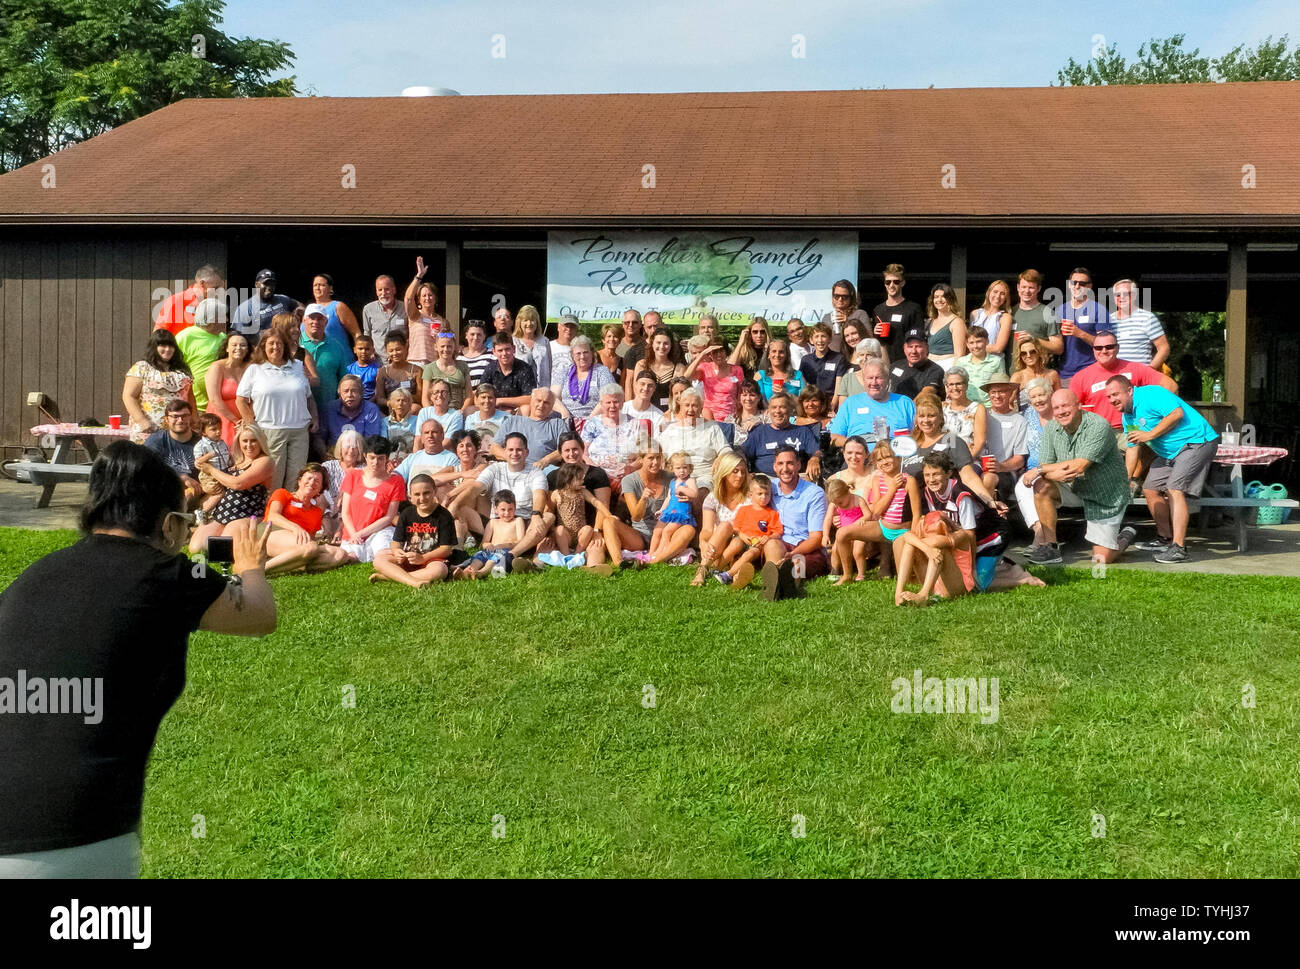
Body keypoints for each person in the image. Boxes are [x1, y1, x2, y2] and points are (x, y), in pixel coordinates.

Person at [0, 442, 273, 877]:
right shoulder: (167, 572)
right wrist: (249, 563)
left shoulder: (33, 576)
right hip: (74, 833)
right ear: (167, 525)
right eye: (186, 527)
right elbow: (259, 615)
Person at [1107, 374, 1219, 564]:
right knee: (1150, 488)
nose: (1112, 400)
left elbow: (1177, 414)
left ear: (1129, 390)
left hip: (1197, 441)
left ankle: (1179, 548)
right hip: (1170, 453)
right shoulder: (1127, 416)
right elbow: (1133, 450)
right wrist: (1124, 480)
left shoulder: (1152, 394)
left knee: (1174, 488)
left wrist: (1149, 434)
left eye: (1115, 394)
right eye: (1108, 397)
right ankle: (1164, 538)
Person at [1021, 390, 1137, 566]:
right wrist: (1047, 472)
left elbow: (1080, 465)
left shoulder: (1098, 425)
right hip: (1074, 486)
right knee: (1041, 485)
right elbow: (1047, 468)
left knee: (1100, 560)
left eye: (1065, 406)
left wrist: (1039, 469)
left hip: (1105, 494)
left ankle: (1125, 536)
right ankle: (1051, 547)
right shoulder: (1052, 428)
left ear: (1079, 405)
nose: (1061, 411)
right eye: (1056, 408)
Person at [893, 451, 1012, 605]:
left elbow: (970, 535)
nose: (931, 479)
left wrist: (972, 569)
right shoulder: (929, 492)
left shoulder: (961, 495)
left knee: (978, 585)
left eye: (935, 474)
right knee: (921, 537)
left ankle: (1015, 573)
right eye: (927, 475)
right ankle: (900, 594)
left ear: (948, 473)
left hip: (992, 536)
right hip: (960, 534)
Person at [447, 432, 549, 563]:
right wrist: (454, 505)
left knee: (548, 517)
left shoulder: (536, 473)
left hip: (524, 526)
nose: (514, 453)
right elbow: (475, 487)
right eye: (511, 449)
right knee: (460, 507)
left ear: (526, 452)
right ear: (505, 451)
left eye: (519, 450)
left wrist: (536, 514)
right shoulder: (495, 469)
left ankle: (513, 554)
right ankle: (457, 552)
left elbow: (539, 494)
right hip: (494, 525)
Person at [236, 329, 317, 491]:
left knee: (296, 478)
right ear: (263, 346)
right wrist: (252, 426)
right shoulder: (255, 369)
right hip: (270, 431)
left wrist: (315, 417)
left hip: (299, 431)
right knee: (273, 477)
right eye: (271, 343)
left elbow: (308, 396)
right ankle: (271, 512)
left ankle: (291, 512)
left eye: (279, 343)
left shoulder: (298, 366)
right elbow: (241, 400)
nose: (276, 347)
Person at [832, 440, 922, 585]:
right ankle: (847, 574)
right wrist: (892, 488)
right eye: (879, 459)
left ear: (898, 457)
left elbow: (916, 514)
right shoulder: (877, 479)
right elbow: (877, 510)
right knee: (842, 533)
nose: (884, 462)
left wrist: (914, 536)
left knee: (904, 578)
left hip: (901, 531)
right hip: (882, 527)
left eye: (888, 457)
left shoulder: (909, 480)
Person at [902, 392, 1006, 510]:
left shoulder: (952, 440)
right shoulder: (908, 443)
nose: (926, 420)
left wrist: (990, 502)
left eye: (931, 415)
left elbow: (969, 478)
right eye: (921, 416)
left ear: (941, 417)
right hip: (906, 507)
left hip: (940, 507)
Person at [188, 422, 276, 552]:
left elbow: (238, 484)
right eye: (244, 441)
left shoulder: (265, 461)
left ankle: (252, 542)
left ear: (261, 442)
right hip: (223, 511)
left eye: (253, 441)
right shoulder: (237, 460)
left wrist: (211, 469)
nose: (249, 445)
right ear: (239, 442)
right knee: (196, 548)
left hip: (246, 513)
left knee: (221, 550)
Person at [1068, 330, 1177, 431]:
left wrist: (1154, 413)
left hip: (1133, 427)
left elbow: (1171, 386)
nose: (1104, 351)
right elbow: (1070, 408)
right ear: (1093, 350)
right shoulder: (1081, 377)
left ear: (1118, 348)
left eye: (1109, 347)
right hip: (1099, 432)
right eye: (1099, 348)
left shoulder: (1135, 369)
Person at [370, 474, 459, 587]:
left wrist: (423, 558)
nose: (422, 498)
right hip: (409, 557)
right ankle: (412, 580)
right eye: (417, 494)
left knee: (439, 571)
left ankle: (391, 576)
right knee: (379, 560)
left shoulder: (444, 516)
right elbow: (396, 542)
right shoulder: (407, 513)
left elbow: (446, 549)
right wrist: (397, 551)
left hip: (432, 559)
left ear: (434, 491)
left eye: (426, 493)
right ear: (410, 496)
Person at [262, 463, 350, 576]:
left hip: (298, 545)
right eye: (309, 478)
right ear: (299, 481)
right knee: (310, 546)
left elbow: (309, 540)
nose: (312, 482)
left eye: (317, 481)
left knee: (340, 554)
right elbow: (272, 516)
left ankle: (291, 566)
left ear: (320, 490)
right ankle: (260, 570)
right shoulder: (283, 494)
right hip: (271, 531)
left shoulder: (317, 512)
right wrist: (295, 528)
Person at [763, 447, 829, 595]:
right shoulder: (769, 488)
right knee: (772, 544)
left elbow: (816, 538)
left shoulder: (814, 493)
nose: (785, 469)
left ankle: (783, 584)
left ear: (799, 465)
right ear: (774, 466)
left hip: (806, 548)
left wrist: (793, 554)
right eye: (780, 464)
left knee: (797, 563)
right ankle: (776, 582)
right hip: (780, 544)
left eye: (790, 463)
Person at [620, 442, 696, 565]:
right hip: (640, 536)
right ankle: (619, 563)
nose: (655, 462)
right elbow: (636, 516)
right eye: (651, 458)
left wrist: (690, 498)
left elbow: (689, 487)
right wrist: (643, 498)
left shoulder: (673, 477)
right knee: (608, 522)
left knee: (689, 530)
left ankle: (654, 560)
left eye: (658, 457)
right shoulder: (629, 480)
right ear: (641, 459)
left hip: (669, 529)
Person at [337, 435, 405, 564]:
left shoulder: (396, 481)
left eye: (380, 458)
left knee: (384, 555)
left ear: (386, 458)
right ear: (365, 456)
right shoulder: (353, 475)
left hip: (380, 531)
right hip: (352, 532)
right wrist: (354, 534)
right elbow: (345, 512)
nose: (375, 462)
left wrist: (361, 534)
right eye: (372, 457)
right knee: (349, 558)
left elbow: (389, 517)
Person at [710, 474, 785, 590]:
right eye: (760, 494)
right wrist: (741, 535)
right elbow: (736, 527)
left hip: (758, 546)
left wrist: (768, 538)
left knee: (750, 554)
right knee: (735, 544)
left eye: (767, 494)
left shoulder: (772, 514)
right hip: (743, 539)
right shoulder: (744, 510)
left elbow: (778, 532)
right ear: (750, 495)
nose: (764, 497)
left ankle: (728, 574)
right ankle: (717, 568)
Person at [1009, 377, 1057, 552]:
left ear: (1050, 394)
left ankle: (1045, 536)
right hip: (1032, 469)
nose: (1038, 400)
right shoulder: (1026, 416)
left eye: (1041, 395)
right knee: (1022, 487)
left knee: (1037, 484)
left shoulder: (1060, 413)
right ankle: (1039, 530)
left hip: (1057, 468)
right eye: (1033, 397)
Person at [541, 462, 615, 575]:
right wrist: (551, 531)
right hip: (566, 535)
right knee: (559, 529)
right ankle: (566, 556)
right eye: (579, 478)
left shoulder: (583, 492)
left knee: (588, 529)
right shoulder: (557, 494)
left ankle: (577, 554)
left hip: (580, 533)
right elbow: (549, 510)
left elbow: (597, 503)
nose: (583, 480)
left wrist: (609, 515)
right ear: (568, 480)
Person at [122, 329, 195, 444]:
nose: (167, 349)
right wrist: (142, 421)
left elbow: (190, 396)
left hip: (179, 429)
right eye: (162, 345)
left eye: (171, 346)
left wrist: (194, 418)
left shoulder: (182, 370)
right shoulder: (142, 367)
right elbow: (128, 396)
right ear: (153, 347)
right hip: (150, 429)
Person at [692, 450, 751, 585]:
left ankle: (711, 568)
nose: (740, 476)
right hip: (719, 542)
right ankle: (705, 569)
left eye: (743, 471)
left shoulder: (750, 497)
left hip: (742, 543)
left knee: (731, 534)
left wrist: (734, 530)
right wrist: (703, 542)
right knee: (724, 526)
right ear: (724, 473)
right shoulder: (713, 498)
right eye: (735, 471)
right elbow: (707, 529)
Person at [828, 360, 917, 448]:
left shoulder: (904, 403)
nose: (874, 383)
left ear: (887, 379)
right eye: (870, 378)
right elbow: (834, 437)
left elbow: (921, 436)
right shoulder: (851, 403)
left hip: (896, 458)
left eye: (879, 378)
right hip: (859, 458)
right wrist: (855, 445)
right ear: (863, 380)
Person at [656, 388, 729, 492]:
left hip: (704, 476)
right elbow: (657, 454)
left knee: (700, 491)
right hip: (676, 477)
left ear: (701, 408)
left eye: (694, 405)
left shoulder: (711, 427)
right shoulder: (670, 430)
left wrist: (721, 457)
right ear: (680, 407)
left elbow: (726, 450)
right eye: (687, 405)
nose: (690, 409)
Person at [580, 384, 647, 488]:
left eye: (616, 402)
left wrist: (630, 468)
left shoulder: (636, 424)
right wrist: (597, 470)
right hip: (596, 473)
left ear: (622, 403)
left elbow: (645, 455)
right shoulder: (592, 423)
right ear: (601, 404)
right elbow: (583, 454)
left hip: (627, 473)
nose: (612, 406)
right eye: (608, 402)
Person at [742, 391, 822, 477]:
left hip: (796, 478)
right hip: (765, 481)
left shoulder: (803, 431)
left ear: (790, 410)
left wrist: (815, 459)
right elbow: (742, 454)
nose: (778, 411)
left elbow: (817, 451)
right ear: (768, 411)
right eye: (774, 407)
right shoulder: (758, 432)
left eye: (782, 407)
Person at [144, 398, 203, 507]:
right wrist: (181, 477)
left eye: (185, 416)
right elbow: (146, 468)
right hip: (162, 491)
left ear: (191, 417)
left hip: (193, 493)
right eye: (175, 416)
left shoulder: (202, 443)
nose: (180, 420)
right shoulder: (156, 440)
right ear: (167, 419)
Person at [980, 373, 1030, 501]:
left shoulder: (1019, 420)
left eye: (1002, 392)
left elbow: (1019, 459)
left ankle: (991, 516)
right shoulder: (982, 415)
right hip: (979, 467)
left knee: (988, 479)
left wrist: (1001, 466)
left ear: (1010, 394)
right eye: (993, 392)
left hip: (1006, 472)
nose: (997, 396)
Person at [494, 387, 571, 469]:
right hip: (511, 466)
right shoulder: (512, 421)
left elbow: (566, 448)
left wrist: (545, 461)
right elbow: (494, 447)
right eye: (538, 400)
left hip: (543, 469)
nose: (541, 405)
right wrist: (512, 459)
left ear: (551, 406)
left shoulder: (557, 424)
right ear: (531, 401)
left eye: (546, 402)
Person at [453, 492, 525, 579]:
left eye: (510, 509)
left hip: (506, 551)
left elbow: (521, 542)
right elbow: (484, 542)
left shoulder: (517, 521)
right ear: (495, 509)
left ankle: (482, 572)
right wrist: (488, 545)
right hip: (491, 549)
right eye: (503, 510)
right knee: (479, 555)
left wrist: (503, 545)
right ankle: (470, 569)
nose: (507, 513)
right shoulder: (493, 522)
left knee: (494, 557)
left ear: (515, 508)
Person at [645, 452, 698, 563]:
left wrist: (684, 489)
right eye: (678, 468)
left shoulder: (690, 481)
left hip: (681, 513)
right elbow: (668, 498)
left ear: (690, 468)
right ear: (672, 468)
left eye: (685, 467)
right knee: (657, 530)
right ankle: (651, 553)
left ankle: (661, 553)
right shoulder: (673, 482)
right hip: (669, 512)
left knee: (667, 532)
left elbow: (694, 494)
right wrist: (662, 510)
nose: (682, 471)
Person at [176, 297, 228, 411]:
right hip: (192, 406)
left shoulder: (224, 338)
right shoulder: (185, 337)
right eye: (223, 316)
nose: (227, 319)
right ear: (212, 319)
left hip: (218, 405)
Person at [1057, 268, 1108, 381]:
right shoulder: (1060, 310)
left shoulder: (1099, 310)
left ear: (1089, 286)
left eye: (1082, 283)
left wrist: (1079, 333)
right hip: (1064, 373)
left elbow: (1105, 345)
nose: (1077, 286)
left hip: (1091, 372)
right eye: (1074, 283)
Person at [300, 309, 351, 419]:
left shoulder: (336, 345)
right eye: (312, 318)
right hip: (300, 410)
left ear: (326, 322)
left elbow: (343, 378)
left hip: (329, 409)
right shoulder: (295, 344)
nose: (315, 322)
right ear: (304, 320)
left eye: (320, 318)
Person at [204, 333, 251, 448]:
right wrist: (236, 421)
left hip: (245, 418)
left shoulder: (251, 367)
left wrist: (248, 419)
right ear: (227, 348)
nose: (238, 348)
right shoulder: (217, 367)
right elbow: (214, 399)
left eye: (243, 345)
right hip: (221, 418)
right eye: (234, 345)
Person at [1110, 279, 1169, 369]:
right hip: (1115, 377)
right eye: (1117, 294)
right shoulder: (1109, 320)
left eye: (1126, 294)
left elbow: (1164, 348)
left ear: (1134, 295)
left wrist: (1150, 370)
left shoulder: (1147, 317)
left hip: (1140, 378)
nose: (1121, 297)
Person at [552, 336, 613, 421]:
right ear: (572, 355)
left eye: (585, 352)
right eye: (578, 353)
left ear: (592, 353)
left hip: (595, 420)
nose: (582, 357)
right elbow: (553, 397)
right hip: (566, 420)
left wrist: (589, 420)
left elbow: (608, 398)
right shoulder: (563, 371)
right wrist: (565, 414)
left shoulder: (602, 371)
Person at [231, 269, 298, 344]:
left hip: (285, 349)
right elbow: (237, 336)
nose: (269, 287)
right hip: (260, 351)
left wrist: (298, 316)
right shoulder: (244, 308)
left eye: (272, 284)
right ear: (256, 284)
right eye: (266, 283)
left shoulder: (283, 299)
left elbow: (300, 307)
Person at [871, 264, 924, 358]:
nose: (891, 285)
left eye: (896, 282)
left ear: (902, 283)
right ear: (884, 284)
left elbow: (918, 338)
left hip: (905, 361)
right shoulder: (878, 310)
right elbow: (873, 341)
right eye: (888, 282)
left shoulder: (913, 308)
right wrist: (875, 333)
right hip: (882, 362)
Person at [824, 478, 872, 583]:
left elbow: (868, 514)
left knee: (858, 551)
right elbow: (828, 518)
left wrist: (862, 519)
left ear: (848, 492)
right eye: (835, 503)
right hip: (844, 534)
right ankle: (835, 571)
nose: (838, 506)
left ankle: (861, 573)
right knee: (835, 550)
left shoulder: (858, 500)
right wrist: (825, 535)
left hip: (859, 532)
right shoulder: (835, 504)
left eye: (840, 502)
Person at [319, 374, 386, 449]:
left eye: (354, 391)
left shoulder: (371, 409)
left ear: (361, 392)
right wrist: (324, 455)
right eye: (345, 391)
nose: (350, 395)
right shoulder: (328, 409)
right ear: (339, 393)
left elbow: (371, 440)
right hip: (333, 454)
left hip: (361, 454)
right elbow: (319, 437)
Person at [401, 258, 447, 368]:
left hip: (434, 364)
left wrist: (441, 337)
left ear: (435, 298)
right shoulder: (416, 315)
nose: (427, 298)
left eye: (430, 295)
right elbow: (408, 299)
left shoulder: (442, 321)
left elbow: (446, 342)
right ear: (419, 299)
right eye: (424, 295)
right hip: (415, 362)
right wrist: (419, 276)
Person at [154, 264, 225, 334]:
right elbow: (160, 333)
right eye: (215, 288)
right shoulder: (177, 300)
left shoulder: (214, 304)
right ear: (202, 283)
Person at [305, 272, 361, 359]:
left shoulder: (338, 307)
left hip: (341, 361)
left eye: (321, 285)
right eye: (315, 285)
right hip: (316, 364)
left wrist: (361, 353)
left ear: (330, 288)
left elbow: (356, 332)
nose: (317, 288)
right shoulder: (308, 310)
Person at [630, 329, 685, 413]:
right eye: (658, 343)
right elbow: (636, 391)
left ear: (671, 345)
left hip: (670, 414)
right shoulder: (642, 365)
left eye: (666, 343)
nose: (662, 346)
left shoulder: (679, 368)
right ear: (652, 344)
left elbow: (680, 397)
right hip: (646, 413)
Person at [392, 417, 457, 487]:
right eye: (426, 433)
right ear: (422, 438)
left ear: (442, 435)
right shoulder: (413, 457)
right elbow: (396, 476)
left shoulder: (452, 459)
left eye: (434, 432)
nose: (430, 436)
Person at [1011, 270, 1063, 357]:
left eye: (1031, 287)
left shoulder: (1049, 314)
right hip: (1011, 369)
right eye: (1023, 287)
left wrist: (1034, 340)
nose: (1027, 291)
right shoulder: (1010, 312)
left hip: (1037, 369)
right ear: (1018, 287)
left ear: (1038, 289)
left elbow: (1059, 348)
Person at [941, 366, 989, 458]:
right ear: (946, 387)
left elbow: (980, 441)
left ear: (966, 385)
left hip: (970, 458)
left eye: (959, 384)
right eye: (951, 384)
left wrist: (965, 462)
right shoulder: (941, 407)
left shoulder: (977, 408)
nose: (955, 387)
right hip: (945, 459)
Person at [483, 337, 538, 413]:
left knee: (526, 408)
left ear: (514, 349)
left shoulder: (525, 368)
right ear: (494, 352)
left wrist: (501, 401)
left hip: (517, 410)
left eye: (507, 349)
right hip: (494, 409)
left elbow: (530, 398)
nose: (504, 353)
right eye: (500, 350)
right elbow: (480, 395)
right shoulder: (490, 369)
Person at [193, 412, 231, 518]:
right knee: (218, 493)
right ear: (204, 432)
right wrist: (209, 456)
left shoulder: (222, 442)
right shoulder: (201, 445)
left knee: (225, 492)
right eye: (213, 429)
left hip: (223, 470)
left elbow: (226, 455)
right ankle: (202, 512)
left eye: (219, 429)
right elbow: (198, 463)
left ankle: (210, 510)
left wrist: (231, 461)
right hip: (209, 475)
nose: (218, 432)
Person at [375, 331, 423, 413]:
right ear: (386, 351)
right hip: (390, 408)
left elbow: (420, 396)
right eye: (391, 350)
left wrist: (404, 399)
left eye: (398, 349)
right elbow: (379, 398)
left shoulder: (417, 370)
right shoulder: (383, 371)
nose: (395, 353)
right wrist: (392, 403)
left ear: (405, 348)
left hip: (410, 409)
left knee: (415, 408)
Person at [969, 279, 1015, 365]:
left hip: (993, 362)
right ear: (989, 293)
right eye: (995, 291)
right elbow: (969, 340)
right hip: (973, 362)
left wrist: (974, 348)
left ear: (1006, 298)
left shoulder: (1005, 317)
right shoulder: (974, 314)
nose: (998, 296)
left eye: (1002, 294)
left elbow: (998, 348)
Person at [891, 329, 946, 400]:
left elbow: (927, 393)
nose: (913, 351)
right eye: (910, 347)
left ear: (927, 347)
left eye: (918, 346)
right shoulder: (895, 366)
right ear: (904, 348)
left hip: (920, 408)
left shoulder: (935, 370)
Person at [422, 330, 471, 409]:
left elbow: (469, 395)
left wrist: (462, 411)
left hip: (458, 411)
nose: (446, 349)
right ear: (436, 347)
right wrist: (432, 414)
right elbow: (425, 398)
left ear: (454, 347)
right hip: (436, 412)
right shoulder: (429, 368)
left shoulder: (463, 366)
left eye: (449, 346)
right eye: (442, 346)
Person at [1009, 334, 1060, 410]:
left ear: (1039, 352)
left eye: (1032, 352)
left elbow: (1059, 399)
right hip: (1026, 418)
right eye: (1024, 353)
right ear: (1020, 356)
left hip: (1049, 416)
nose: (1028, 355)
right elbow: (1009, 402)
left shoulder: (1052, 374)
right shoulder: (1018, 377)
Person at [821, 278, 871, 355]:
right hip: (833, 361)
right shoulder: (826, 317)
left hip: (854, 359)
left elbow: (870, 338)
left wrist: (848, 321)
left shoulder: (860, 314)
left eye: (844, 296)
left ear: (851, 298)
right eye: (836, 296)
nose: (840, 299)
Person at [797, 322, 848, 396]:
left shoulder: (839, 358)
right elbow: (802, 384)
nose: (820, 340)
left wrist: (833, 405)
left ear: (830, 339)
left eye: (823, 336)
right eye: (816, 336)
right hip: (812, 402)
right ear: (811, 340)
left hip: (830, 402)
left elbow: (839, 388)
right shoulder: (805, 360)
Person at [924, 284, 967, 371]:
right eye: (936, 297)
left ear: (950, 299)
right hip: (929, 366)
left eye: (943, 296)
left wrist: (953, 373)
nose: (939, 300)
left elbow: (959, 355)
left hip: (947, 366)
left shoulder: (957, 322)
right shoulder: (929, 321)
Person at [362, 274, 408, 353]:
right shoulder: (368, 309)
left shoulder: (405, 308)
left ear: (394, 290)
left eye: (387, 289)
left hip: (401, 359)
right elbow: (367, 334)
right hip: (378, 360)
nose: (383, 293)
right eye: (380, 290)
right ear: (376, 292)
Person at [513, 305, 553, 388]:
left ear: (537, 322)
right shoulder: (513, 342)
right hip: (520, 391)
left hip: (543, 391)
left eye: (532, 320)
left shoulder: (545, 341)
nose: (529, 323)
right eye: (525, 320)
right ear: (519, 322)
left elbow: (550, 367)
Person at [464, 383, 512, 447]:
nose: (487, 401)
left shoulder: (506, 418)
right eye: (483, 397)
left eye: (490, 397)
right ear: (476, 399)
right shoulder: (470, 419)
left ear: (495, 400)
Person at [457, 321, 495, 391]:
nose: (475, 337)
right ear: (466, 335)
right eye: (472, 334)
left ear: (484, 337)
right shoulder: (458, 356)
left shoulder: (492, 355)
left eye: (479, 335)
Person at [345, 333, 380, 403]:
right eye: (360, 349)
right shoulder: (349, 369)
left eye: (367, 349)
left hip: (371, 403)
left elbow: (379, 392)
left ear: (372, 350)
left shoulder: (378, 369)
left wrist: (367, 404)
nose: (363, 352)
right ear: (354, 350)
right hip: (353, 403)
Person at [383, 388, 418, 457]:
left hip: (410, 457)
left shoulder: (417, 420)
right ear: (392, 405)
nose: (400, 403)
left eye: (404, 400)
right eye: (398, 400)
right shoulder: (384, 422)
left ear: (409, 405)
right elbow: (383, 443)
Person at [550, 314, 580, 388]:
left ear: (576, 330)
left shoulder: (580, 349)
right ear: (558, 327)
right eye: (566, 326)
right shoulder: (548, 346)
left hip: (572, 391)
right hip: (551, 390)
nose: (569, 329)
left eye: (572, 327)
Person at [598, 322, 625, 387]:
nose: (612, 339)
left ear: (619, 341)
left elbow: (622, 385)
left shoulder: (622, 361)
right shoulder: (595, 356)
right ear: (603, 340)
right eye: (609, 336)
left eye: (615, 336)